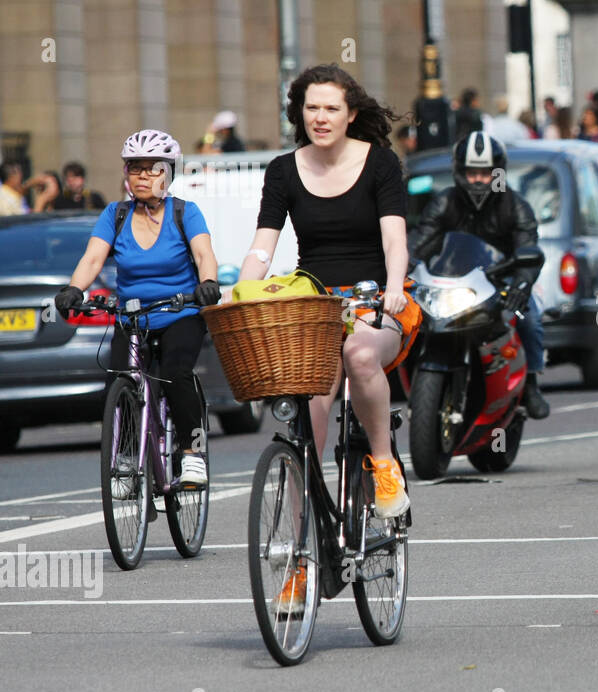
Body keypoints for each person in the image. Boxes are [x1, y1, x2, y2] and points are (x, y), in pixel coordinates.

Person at [240, 64, 421, 533]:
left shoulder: (379, 163)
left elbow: (394, 241)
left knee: (361, 355)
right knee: (306, 419)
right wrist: (242, 294)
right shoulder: (283, 170)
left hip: (375, 300)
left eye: (331, 109)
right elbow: (264, 245)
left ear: (350, 114)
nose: (320, 117)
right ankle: (304, 547)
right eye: (312, 108)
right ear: (300, 114)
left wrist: (395, 288)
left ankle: (383, 466)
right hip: (315, 307)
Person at [54, 130, 220, 486]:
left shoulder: (185, 213)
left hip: (180, 312)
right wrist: (73, 289)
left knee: (176, 372)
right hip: (132, 316)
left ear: (168, 173)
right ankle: (127, 457)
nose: (142, 176)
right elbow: (93, 258)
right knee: (121, 382)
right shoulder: (115, 215)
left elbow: (205, 254)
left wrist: (207, 284)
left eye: (152, 168)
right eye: (135, 168)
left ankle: (193, 453)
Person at [407, 131, 550, 420]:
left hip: (502, 280)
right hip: (451, 282)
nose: (478, 179)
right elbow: (420, 242)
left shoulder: (516, 206)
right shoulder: (443, 202)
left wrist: (522, 283)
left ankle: (532, 382)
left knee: (530, 318)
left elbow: (529, 250)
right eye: (472, 173)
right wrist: (402, 269)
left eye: (486, 173)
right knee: (406, 319)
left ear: (498, 173)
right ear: (459, 172)